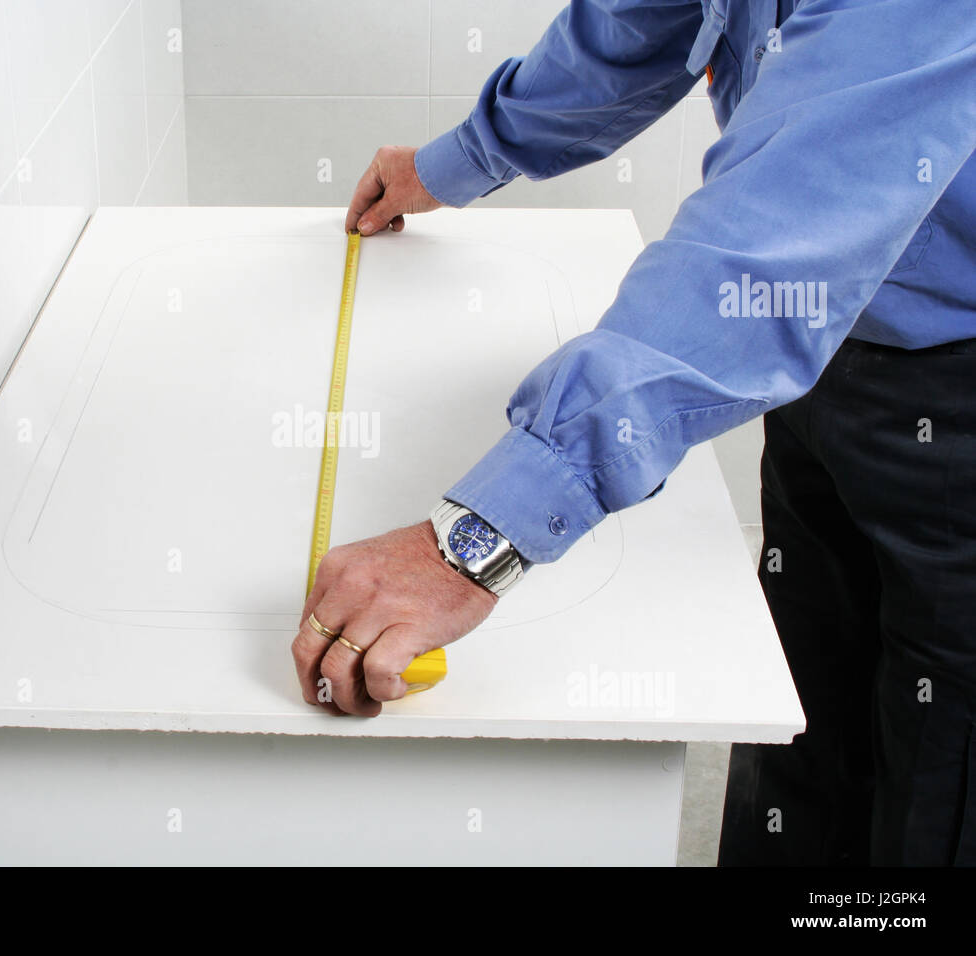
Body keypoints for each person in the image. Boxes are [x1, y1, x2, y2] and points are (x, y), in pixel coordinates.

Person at [289, 0, 976, 867]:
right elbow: (637, 26)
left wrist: (471, 543)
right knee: (803, 723)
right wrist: (459, 159)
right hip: (828, 354)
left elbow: (774, 240)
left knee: (939, 777)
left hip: (954, 388)